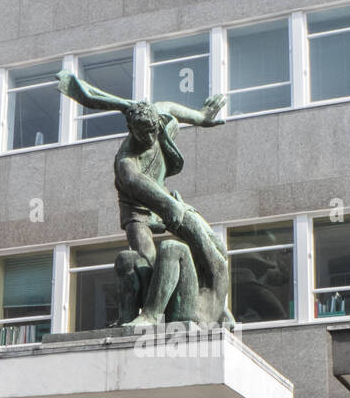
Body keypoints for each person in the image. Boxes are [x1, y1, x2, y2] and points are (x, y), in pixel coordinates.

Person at [56, 71, 235, 330]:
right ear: (131, 130)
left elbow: (171, 108)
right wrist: (171, 206)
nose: (150, 138)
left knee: (179, 249)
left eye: (152, 131)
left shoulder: (161, 122)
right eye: (143, 133)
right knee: (137, 259)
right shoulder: (126, 164)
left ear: (156, 125)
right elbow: (145, 189)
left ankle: (152, 313)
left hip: (167, 204)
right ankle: (131, 316)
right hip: (137, 209)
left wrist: (201, 117)